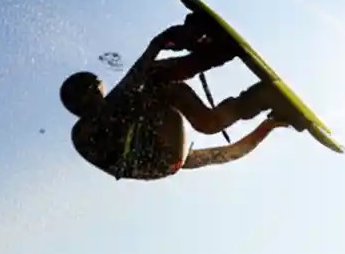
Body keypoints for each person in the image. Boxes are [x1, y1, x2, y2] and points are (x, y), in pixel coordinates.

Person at [60, 12, 293, 181]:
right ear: (90, 95)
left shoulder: (126, 121)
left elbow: (222, 155)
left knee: (207, 120)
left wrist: (269, 125)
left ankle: (262, 97)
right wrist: (161, 41)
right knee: (152, 79)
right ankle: (213, 48)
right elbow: (132, 82)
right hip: (158, 149)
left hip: (164, 157)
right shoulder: (87, 129)